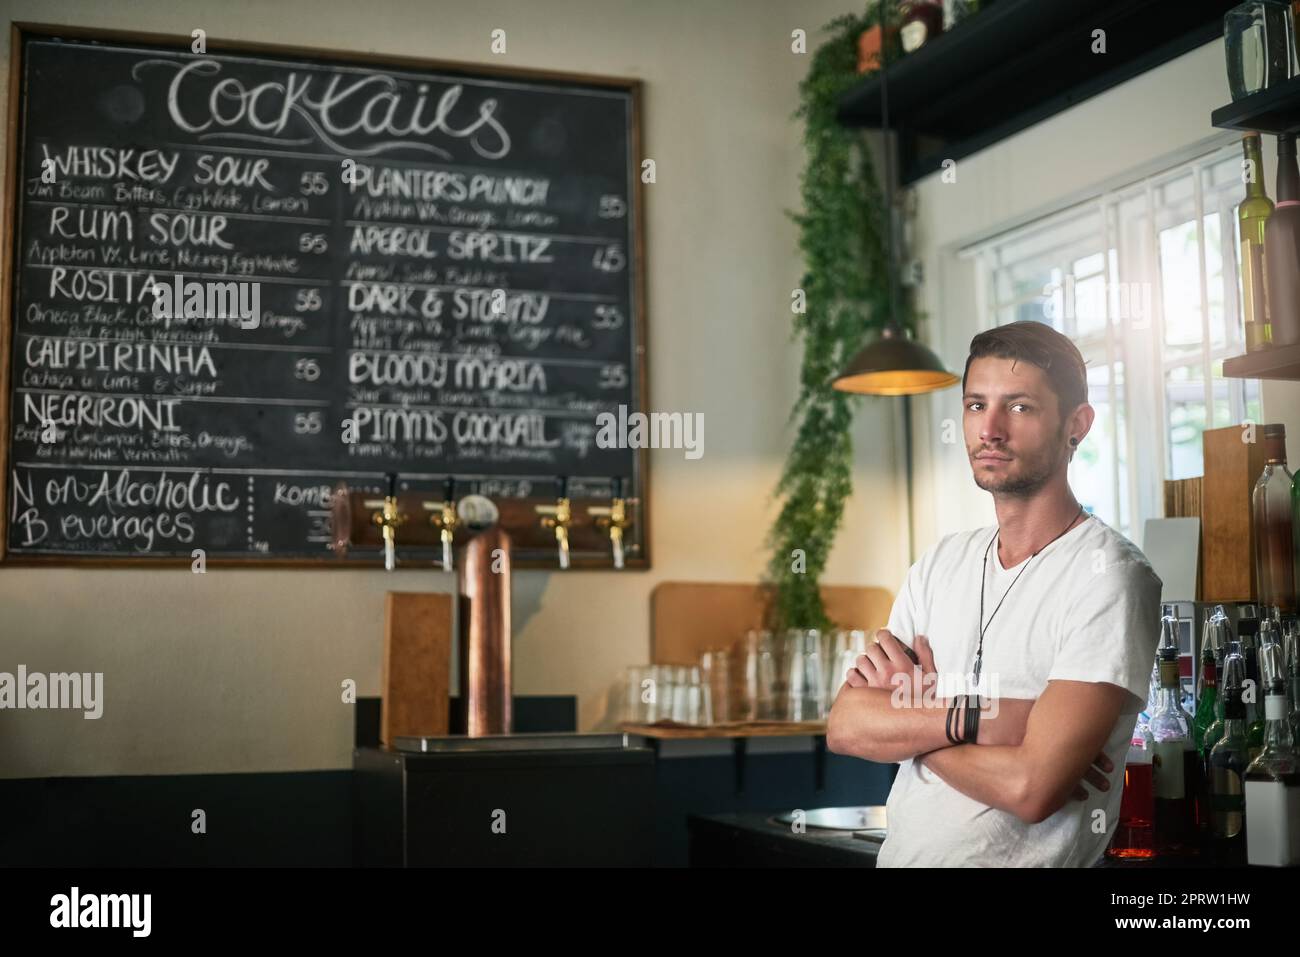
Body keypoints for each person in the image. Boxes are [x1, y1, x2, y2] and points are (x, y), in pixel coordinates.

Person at [827, 320, 1163, 867]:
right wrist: (988, 722)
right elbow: (846, 725)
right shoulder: (939, 564)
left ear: (1077, 425)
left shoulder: (1110, 577)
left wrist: (918, 727)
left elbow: (1033, 788)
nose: (991, 429)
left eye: (1021, 407)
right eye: (976, 405)